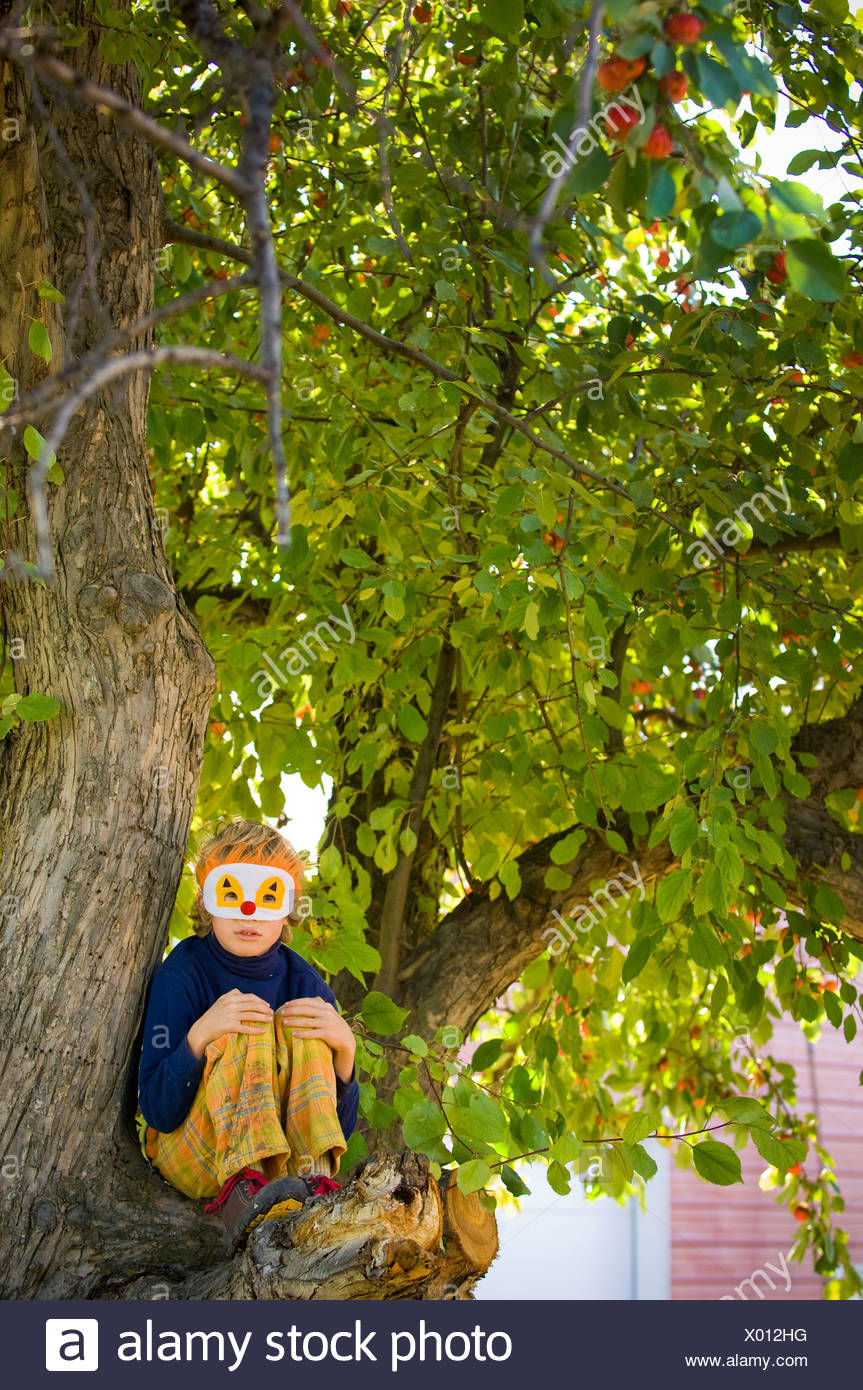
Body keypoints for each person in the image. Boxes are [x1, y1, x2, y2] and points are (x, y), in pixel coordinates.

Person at [136, 817, 359, 1250]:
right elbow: (158, 1113)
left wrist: (345, 1054)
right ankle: (243, 1191)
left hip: (286, 1173)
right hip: (195, 1155)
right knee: (246, 1020)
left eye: (267, 896)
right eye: (231, 894)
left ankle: (316, 1187)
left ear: (288, 907)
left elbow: (341, 1133)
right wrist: (199, 1038)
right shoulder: (182, 973)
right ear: (206, 901)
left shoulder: (306, 986)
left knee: (306, 1027)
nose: (249, 912)